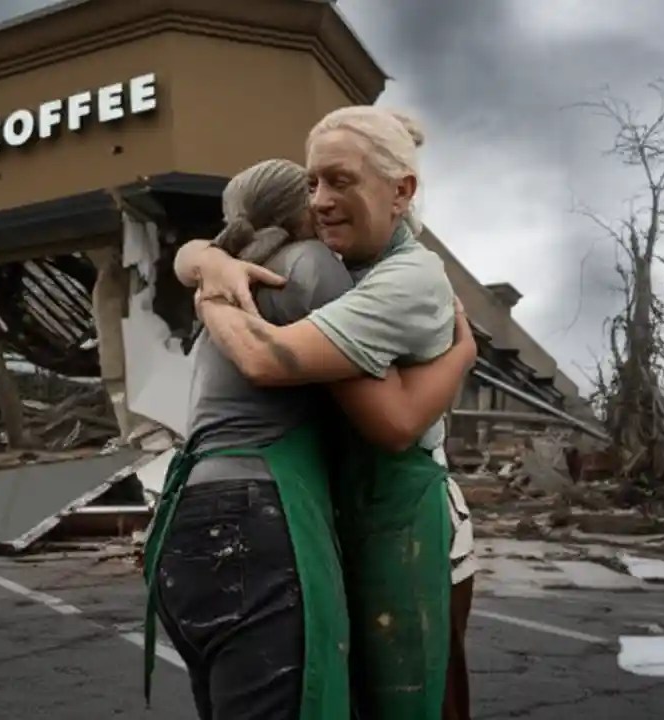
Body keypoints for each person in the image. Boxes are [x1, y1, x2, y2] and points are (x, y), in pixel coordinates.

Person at [142, 157, 477, 720]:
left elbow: (196, 266)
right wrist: (464, 353)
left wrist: (200, 264)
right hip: (257, 516)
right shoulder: (313, 267)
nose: (325, 203)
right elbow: (393, 421)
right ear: (299, 209)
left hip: (184, 519)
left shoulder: (231, 277)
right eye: (315, 190)